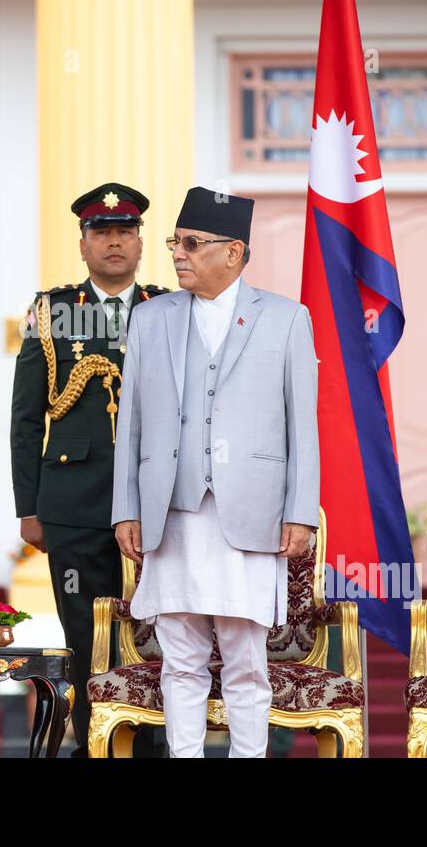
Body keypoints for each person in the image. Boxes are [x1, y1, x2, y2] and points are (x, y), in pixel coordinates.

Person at [111, 186, 320, 757]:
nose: (177, 253)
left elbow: (303, 424)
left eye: (191, 243)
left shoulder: (285, 318)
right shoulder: (151, 319)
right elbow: (129, 423)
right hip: (170, 512)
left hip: (250, 510)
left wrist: (301, 511)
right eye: (175, 242)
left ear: (233, 252)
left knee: (247, 663)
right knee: (178, 661)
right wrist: (124, 508)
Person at [10, 182, 170, 757]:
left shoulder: (168, 308)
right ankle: (98, 745)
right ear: (82, 244)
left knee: (157, 634)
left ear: (141, 242)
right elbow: (27, 419)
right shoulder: (52, 313)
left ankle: (152, 746)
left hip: (158, 505)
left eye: (125, 232)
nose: (114, 243)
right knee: (86, 634)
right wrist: (28, 507)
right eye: (101, 233)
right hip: (73, 503)